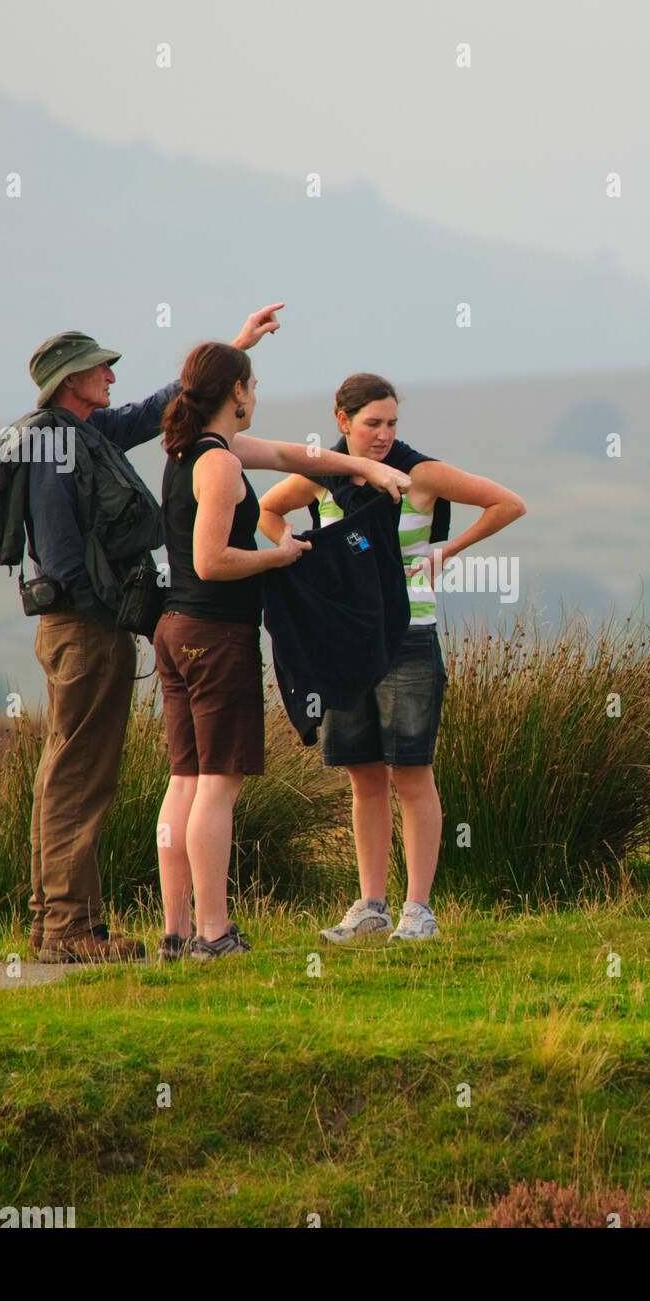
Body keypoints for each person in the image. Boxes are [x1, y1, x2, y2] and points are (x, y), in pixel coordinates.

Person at [21, 305, 283, 964]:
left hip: (103, 628)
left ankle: (68, 925)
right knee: (76, 777)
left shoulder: (88, 430)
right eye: (97, 368)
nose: (110, 374)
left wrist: (234, 346)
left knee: (82, 773)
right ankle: (68, 933)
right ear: (68, 381)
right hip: (83, 630)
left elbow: (155, 410)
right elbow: (60, 557)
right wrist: (111, 608)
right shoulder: (54, 445)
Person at [153, 347, 411, 962]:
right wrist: (281, 555)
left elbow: (296, 456)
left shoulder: (198, 447)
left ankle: (177, 931)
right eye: (253, 385)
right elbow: (213, 560)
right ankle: (214, 935)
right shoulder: (218, 464)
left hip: (175, 631)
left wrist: (364, 469)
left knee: (184, 781)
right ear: (236, 392)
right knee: (217, 784)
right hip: (215, 636)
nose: (257, 395)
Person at [257, 373, 526, 944]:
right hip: (343, 644)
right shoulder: (321, 476)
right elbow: (267, 512)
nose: (383, 435)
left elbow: (508, 503)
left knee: (411, 773)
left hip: (408, 638)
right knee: (363, 778)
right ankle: (371, 905)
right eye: (372, 424)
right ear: (342, 421)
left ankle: (418, 910)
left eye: (391, 424)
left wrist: (447, 548)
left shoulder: (420, 474)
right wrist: (295, 555)